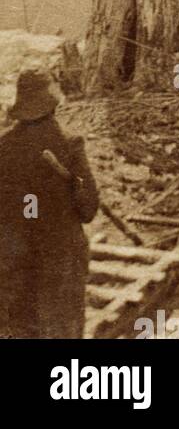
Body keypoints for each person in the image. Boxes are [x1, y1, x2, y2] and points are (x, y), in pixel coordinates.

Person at [0, 69, 100, 338]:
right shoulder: (69, 145)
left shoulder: (3, 147)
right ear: (52, 103)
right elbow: (88, 209)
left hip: (13, 261)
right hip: (60, 262)